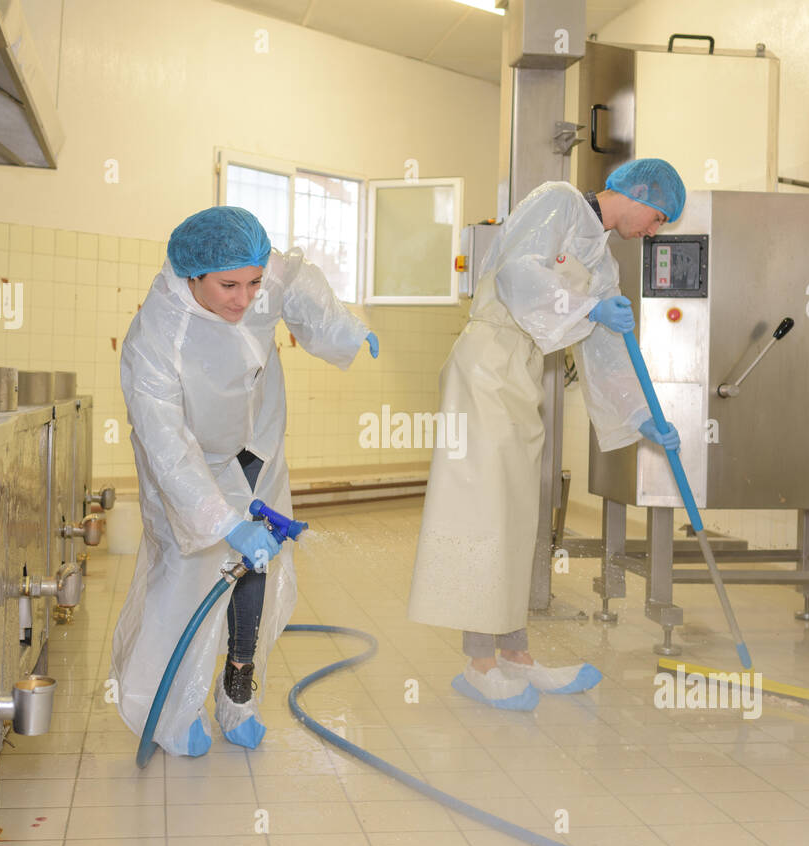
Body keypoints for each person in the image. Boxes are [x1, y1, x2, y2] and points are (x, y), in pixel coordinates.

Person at [407, 158, 686, 710]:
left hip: (521, 375)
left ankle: (515, 654)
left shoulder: (602, 263)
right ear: (634, 191)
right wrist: (588, 306)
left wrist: (639, 415)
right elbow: (516, 274)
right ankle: (478, 662)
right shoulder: (556, 200)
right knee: (482, 515)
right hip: (485, 364)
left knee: (516, 518)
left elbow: (605, 351)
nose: (653, 232)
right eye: (656, 218)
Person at [111, 207, 377, 755]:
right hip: (193, 465)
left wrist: (345, 331)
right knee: (185, 582)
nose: (244, 297)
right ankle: (172, 709)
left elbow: (298, 286)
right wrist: (221, 520)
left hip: (257, 442)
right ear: (192, 276)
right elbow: (168, 447)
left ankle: (237, 691)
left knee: (254, 568)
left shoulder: (260, 277)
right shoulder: (157, 336)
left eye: (254, 282)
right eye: (228, 285)